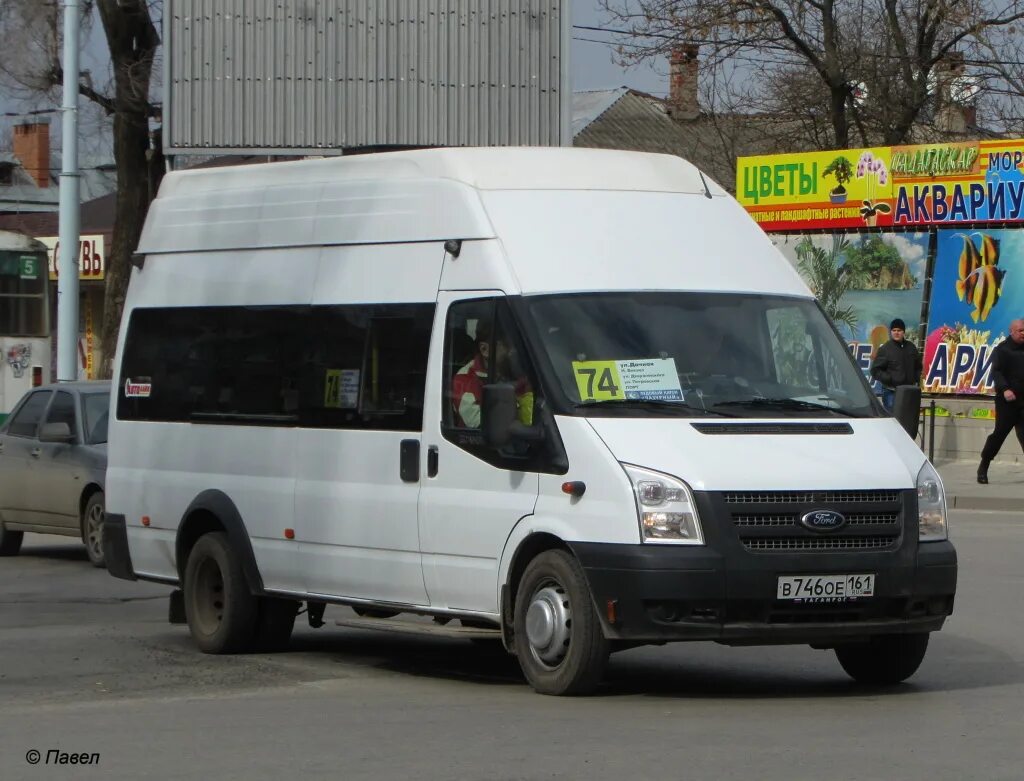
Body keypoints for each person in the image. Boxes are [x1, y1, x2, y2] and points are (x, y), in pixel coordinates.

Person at [451, 322, 533, 429]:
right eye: (507, 346)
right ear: (484, 349)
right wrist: (513, 403)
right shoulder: (464, 379)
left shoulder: (516, 371)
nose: (513, 351)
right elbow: (476, 422)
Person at [977, 319, 1024, 484]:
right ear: (1011, 331)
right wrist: (1005, 389)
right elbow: (996, 372)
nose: (1023, 333)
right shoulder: (1002, 350)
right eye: (1020, 331)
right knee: (999, 435)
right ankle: (984, 466)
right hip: (1007, 402)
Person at [870, 318, 922, 412]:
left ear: (903, 332)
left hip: (908, 392)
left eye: (899, 330)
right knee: (893, 420)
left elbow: (918, 366)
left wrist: (916, 378)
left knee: (906, 420)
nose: (896, 333)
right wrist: (888, 378)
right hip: (891, 392)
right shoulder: (885, 349)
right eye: (894, 330)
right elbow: (875, 370)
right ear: (891, 332)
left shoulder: (911, 347)